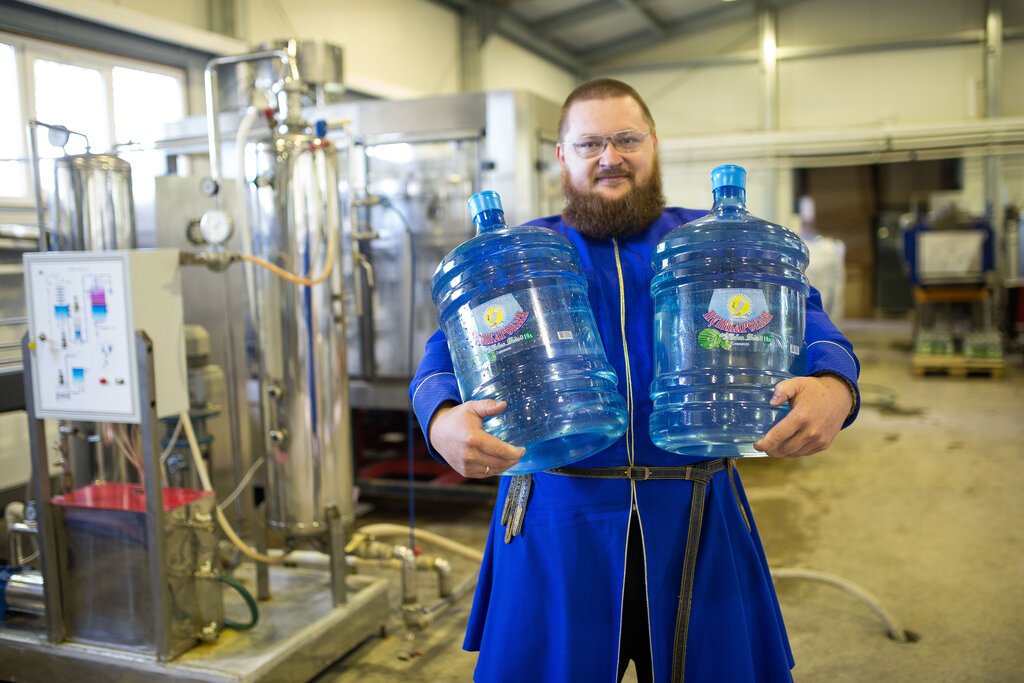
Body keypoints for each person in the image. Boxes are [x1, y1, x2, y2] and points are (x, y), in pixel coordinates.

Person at [410, 78, 859, 683]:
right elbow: (444, 355)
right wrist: (441, 418)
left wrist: (835, 384)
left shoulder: (713, 242)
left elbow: (806, 318)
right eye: (589, 142)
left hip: (697, 509)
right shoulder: (524, 257)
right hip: (554, 513)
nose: (610, 157)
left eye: (627, 139)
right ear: (563, 156)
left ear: (654, 145)